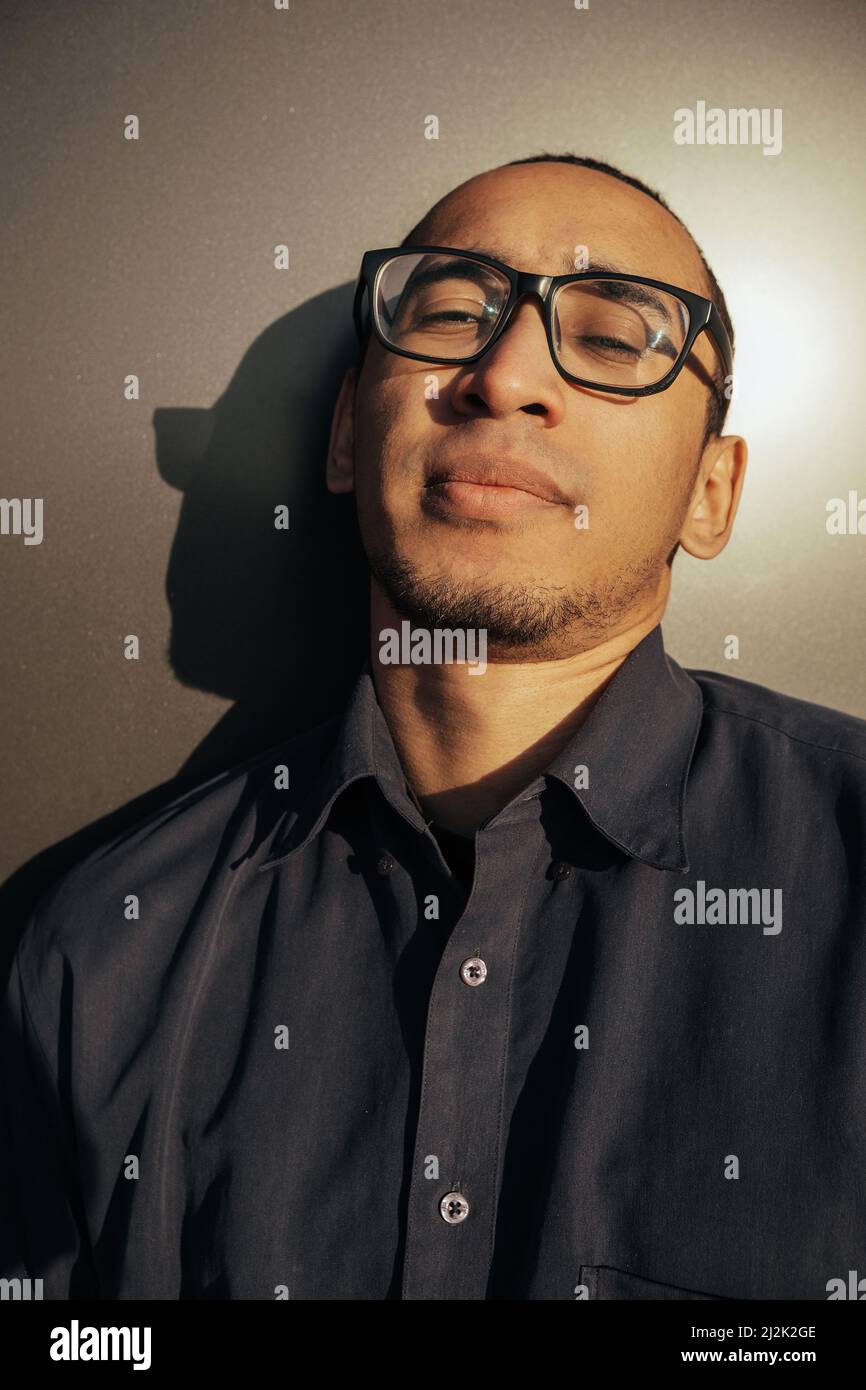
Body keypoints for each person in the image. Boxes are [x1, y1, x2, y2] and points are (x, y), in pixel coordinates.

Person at [2, 154, 864, 1302]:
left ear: (709, 495)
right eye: (453, 313)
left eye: (612, 338)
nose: (504, 376)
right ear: (349, 437)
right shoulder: (100, 953)